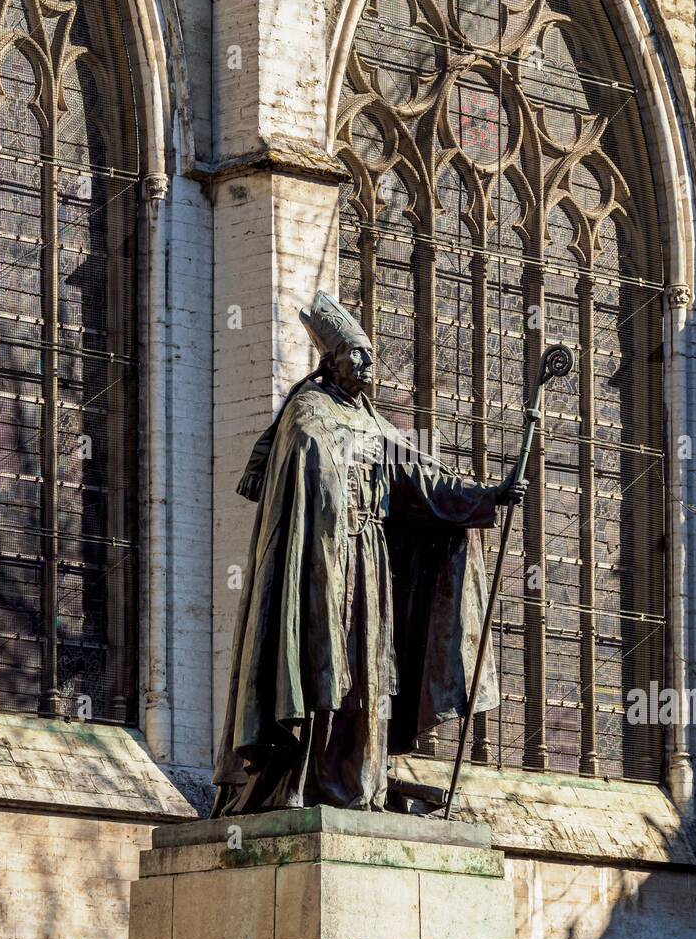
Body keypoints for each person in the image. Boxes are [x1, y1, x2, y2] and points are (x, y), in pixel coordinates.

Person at [210, 291, 526, 816]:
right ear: (330, 360)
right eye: (356, 353)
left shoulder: (372, 423)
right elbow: (303, 498)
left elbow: (422, 483)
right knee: (321, 668)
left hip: (371, 567)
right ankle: (305, 778)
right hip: (316, 568)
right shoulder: (307, 414)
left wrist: (487, 497)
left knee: (369, 673)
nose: (367, 364)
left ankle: (359, 783)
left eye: (369, 354)